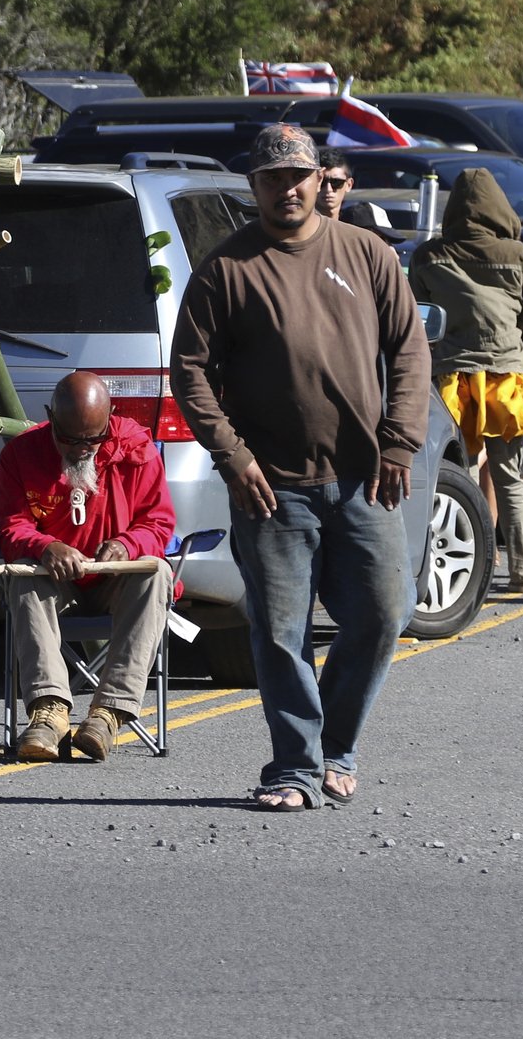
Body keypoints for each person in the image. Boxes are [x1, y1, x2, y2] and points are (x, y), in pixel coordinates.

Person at [170, 123, 429, 812]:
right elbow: (190, 372)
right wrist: (233, 455)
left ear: (321, 178)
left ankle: (335, 749)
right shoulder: (226, 270)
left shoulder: (367, 254)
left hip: (364, 478)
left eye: (298, 174)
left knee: (383, 613)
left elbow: (409, 350)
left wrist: (400, 439)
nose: (287, 187)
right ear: (252, 187)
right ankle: (295, 766)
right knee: (281, 632)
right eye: (271, 177)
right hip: (271, 488)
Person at [0, 370, 176, 762]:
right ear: (50, 418)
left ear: (110, 418)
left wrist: (128, 545)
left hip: (115, 581)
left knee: (157, 571)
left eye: (94, 439)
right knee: (23, 576)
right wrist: (44, 546)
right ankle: (50, 710)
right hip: (57, 581)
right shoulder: (19, 454)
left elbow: (158, 522)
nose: (82, 449)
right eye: (71, 439)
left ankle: (109, 711)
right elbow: (13, 527)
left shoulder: (136, 447)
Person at [407, 169, 523, 595]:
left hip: (451, 381)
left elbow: (415, 311)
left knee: (448, 480)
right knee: (512, 481)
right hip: (506, 379)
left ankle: (444, 577)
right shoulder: (515, 252)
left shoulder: (428, 256)